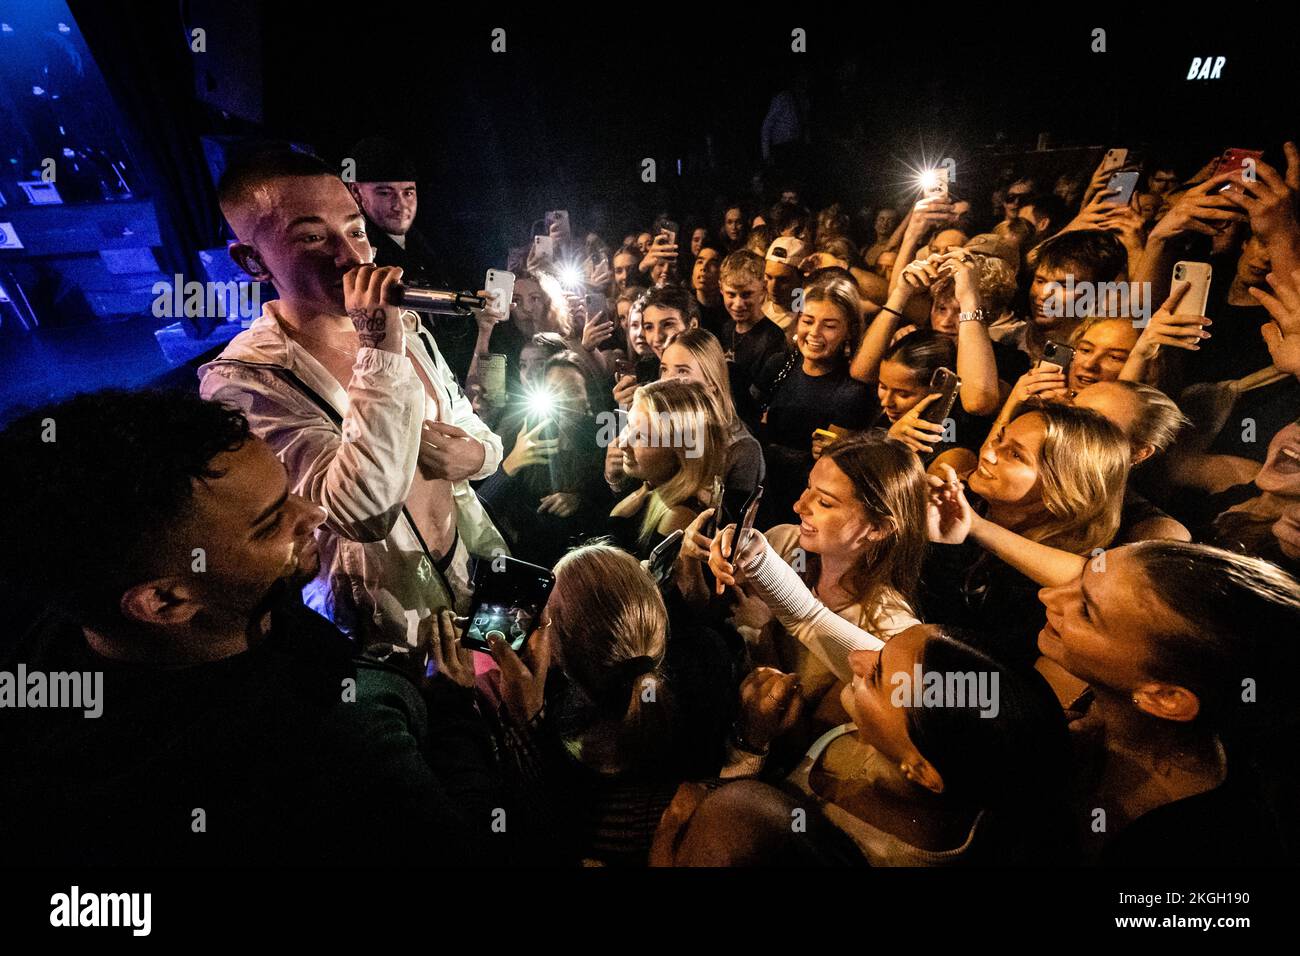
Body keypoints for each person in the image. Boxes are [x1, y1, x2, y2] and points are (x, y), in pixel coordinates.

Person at [0, 390, 500, 866]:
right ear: (164, 601)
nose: (315, 513)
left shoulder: (71, 632)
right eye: (268, 523)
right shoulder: (327, 752)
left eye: (287, 489)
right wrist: (455, 717)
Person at [198, 148, 506, 649]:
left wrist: (477, 455)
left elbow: (470, 424)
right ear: (252, 260)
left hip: (464, 559)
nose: (350, 256)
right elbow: (359, 512)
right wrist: (378, 347)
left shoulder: (406, 327)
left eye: (357, 230)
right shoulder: (245, 382)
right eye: (313, 237)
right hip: (381, 616)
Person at [926, 480, 1300, 864]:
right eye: (1081, 579)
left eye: (1087, 611)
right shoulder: (1094, 708)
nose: (1048, 596)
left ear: (1166, 698)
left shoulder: (1198, 848)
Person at [703, 534, 1074, 865]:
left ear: (922, 771)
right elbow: (809, 618)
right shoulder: (917, 708)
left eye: (876, 675)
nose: (855, 660)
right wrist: (754, 554)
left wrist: (747, 747)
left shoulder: (882, 855)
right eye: (881, 652)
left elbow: (725, 835)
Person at [481, 543, 738, 865]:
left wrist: (527, 721)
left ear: (558, 656)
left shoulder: (561, 759)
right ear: (656, 615)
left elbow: (543, 831)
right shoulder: (709, 665)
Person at [919, 405, 1131, 667]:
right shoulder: (963, 498)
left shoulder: (1047, 592)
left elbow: (954, 652)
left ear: (1064, 487)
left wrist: (973, 529)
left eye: (1015, 455)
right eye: (999, 438)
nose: (987, 454)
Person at [345, 136, 475, 382]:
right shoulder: (357, 255)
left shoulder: (433, 246)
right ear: (356, 192)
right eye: (385, 193)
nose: (400, 205)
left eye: (408, 192)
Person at [753, 270, 876, 525]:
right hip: (760, 491)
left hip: (804, 510)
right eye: (808, 320)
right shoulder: (781, 363)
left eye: (829, 325)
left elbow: (832, 472)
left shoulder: (851, 391)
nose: (814, 333)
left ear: (850, 331)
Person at [478, 353, 613, 567]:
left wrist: (580, 501)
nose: (561, 399)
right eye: (552, 390)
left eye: (572, 391)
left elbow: (612, 512)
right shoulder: (518, 433)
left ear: (587, 399)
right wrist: (511, 463)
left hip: (580, 564)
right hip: (522, 564)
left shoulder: (602, 443)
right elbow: (479, 508)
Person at [607, 379, 727, 558]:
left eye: (643, 437)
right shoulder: (651, 484)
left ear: (680, 454)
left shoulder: (678, 517)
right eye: (629, 426)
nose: (623, 443)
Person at [657, 327, 765, 500]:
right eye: (664, 369)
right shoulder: (659, 427)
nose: (666, 381)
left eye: (682, 371)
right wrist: (616, 479)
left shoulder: (742, 449)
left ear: (711, 381)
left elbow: (737, 522)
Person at [718, 250, 787, 429]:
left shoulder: (773, 339)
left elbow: (761, 402)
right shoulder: (726, 328)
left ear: (763, 289)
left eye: (746, 294)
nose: (738, 304)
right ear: (721, 289)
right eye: (731, 294)